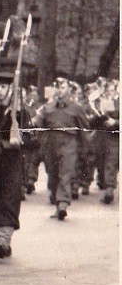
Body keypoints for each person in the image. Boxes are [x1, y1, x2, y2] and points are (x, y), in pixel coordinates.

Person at [0, 65, 31, 259]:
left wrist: (18, 138)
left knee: (9, 199)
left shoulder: (19, 113)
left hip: (11, 161)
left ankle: (3, 241)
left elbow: (30, 138)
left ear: (10, 91)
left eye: (3, 87)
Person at [34, 74, 88, 220]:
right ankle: (57, 202)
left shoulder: (76, 108)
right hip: (51, 144)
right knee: (53, 174)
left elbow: (84, 129)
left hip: (69, 144)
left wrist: (85, 150)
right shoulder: (48, 107)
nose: (60, 90)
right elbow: (39, 123)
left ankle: (63, 203)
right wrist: (34, 120)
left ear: (69, 89)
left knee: (65, 173)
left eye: (63, 87)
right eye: (57, 87)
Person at [87, 78, 118, 205]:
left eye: (112, 90)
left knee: (111, 162)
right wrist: (97, 116)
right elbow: (92, 123)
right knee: (101, 162)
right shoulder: (103, 101)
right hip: (101, 136)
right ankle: (106, 185)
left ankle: (109, 190)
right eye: (108, 90)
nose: (110, 92)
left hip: (114, 137)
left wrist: (115, 122)